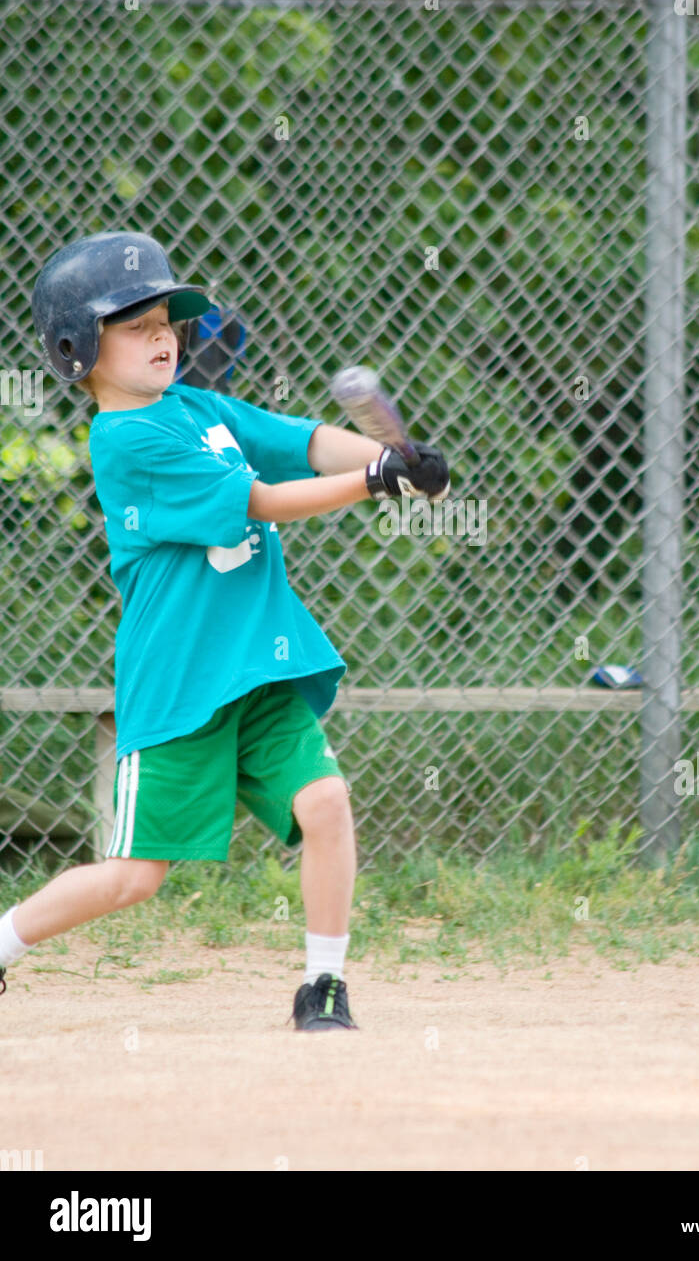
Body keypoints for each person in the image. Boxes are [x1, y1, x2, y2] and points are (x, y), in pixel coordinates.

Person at [0, 230, 449, 1031]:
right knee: (134, 877)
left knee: (326, 804)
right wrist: (376, 481)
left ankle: (325, 984)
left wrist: (396, 462)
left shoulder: (201, 407)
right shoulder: (127, 441)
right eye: (133, 326)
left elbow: (303, 442)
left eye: (166, 321)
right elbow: (262, 500)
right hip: (181, 685)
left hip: (260, 667)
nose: (162, 335)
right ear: (77, 350)